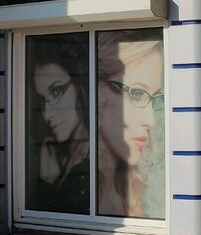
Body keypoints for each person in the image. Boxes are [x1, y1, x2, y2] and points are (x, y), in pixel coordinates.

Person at [96, 29, 164, 219]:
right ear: (98, 93)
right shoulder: (75, 192)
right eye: (138, 93)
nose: (150, 122)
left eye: (154, 98)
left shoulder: (128, 186)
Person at [29, 37, 90, 214]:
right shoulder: (61, 156)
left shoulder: (98, 155)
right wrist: (49, 180)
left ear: (80, 85)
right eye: (42, 100)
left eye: (56, 91)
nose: (47, 114)